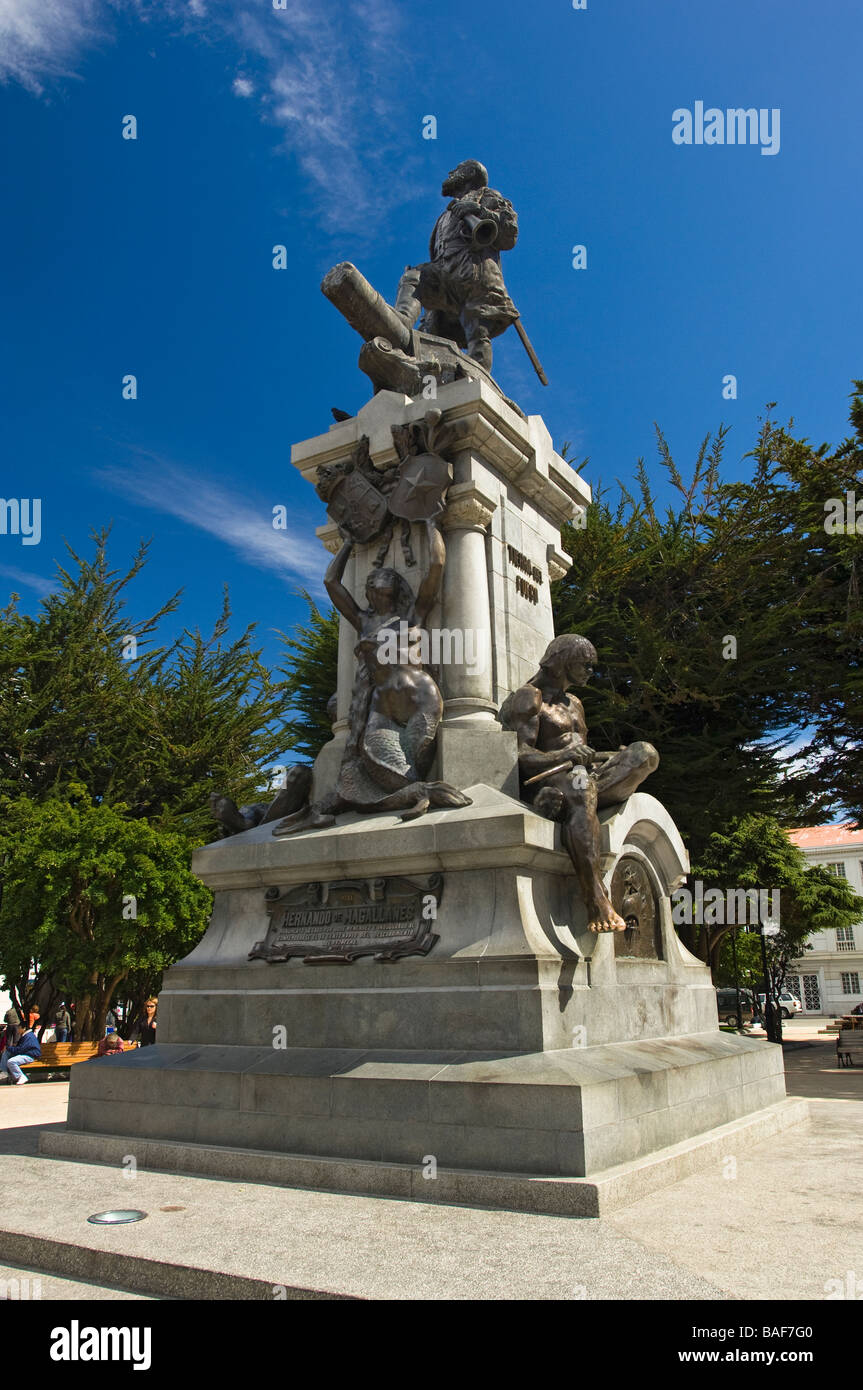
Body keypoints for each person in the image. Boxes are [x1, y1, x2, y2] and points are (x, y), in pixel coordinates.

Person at [501, 634, 659, 932]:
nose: (590, 672)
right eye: (585, 665)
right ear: (563, 662)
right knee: (580, 784)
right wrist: (566, 754)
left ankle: (575, 803)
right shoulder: (529, 697)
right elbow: (518, 755)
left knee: (645, 755)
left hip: (583, 776)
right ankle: (595, 898)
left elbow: (583, 753)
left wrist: (606, 757)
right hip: (549, 775)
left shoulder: (574, 702)